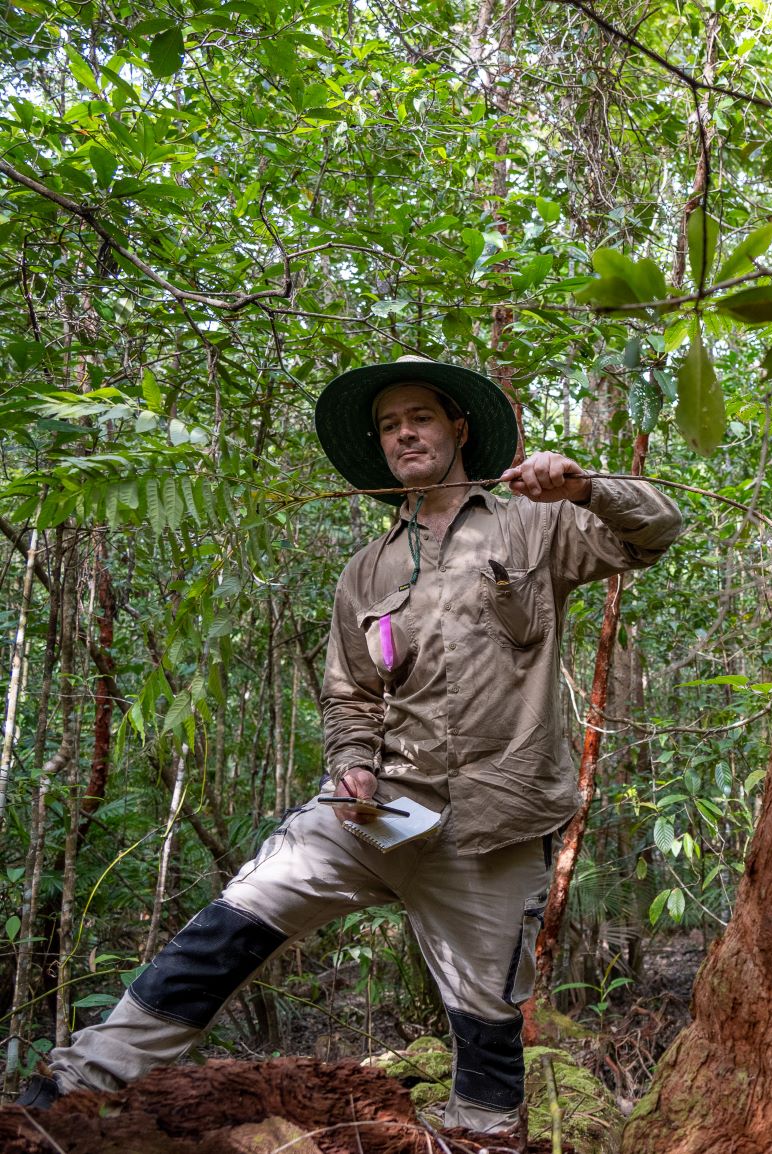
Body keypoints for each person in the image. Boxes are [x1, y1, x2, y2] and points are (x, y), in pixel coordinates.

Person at [19, 355, 682, 1133]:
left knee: (488, 1030)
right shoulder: (368, 569)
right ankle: (61, 1096)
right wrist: (353, 765)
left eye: (420, 418)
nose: (405, 434)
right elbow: (351, 694)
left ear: (458, 429)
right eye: (390, 426)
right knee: (224, 932)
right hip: (374, 814)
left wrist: (582, 486)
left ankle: (484, 1143)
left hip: (493, 826)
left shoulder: (535, 525)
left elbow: (660, 526)